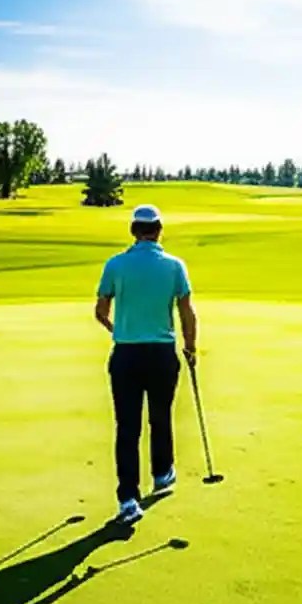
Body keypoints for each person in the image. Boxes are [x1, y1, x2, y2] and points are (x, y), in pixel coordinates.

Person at [94, 204, 198, 523]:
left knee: (127, 427)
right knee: (161, 416)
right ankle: (162, 473)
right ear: (159, 229)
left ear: (133, 231)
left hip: (125, 355)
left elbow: (100, 311)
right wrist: (191, 348)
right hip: (162, 353)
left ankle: (128, 498)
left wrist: (119, 330)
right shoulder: (175, 266)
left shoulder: (115, 264)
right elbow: (187, 312)